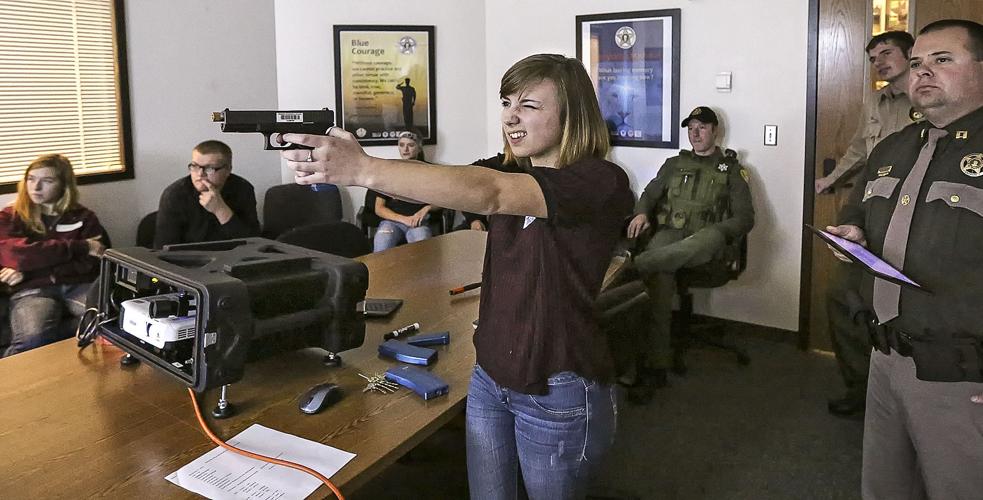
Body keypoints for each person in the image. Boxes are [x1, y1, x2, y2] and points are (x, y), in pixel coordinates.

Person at [283, 54, 634, 500]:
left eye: (528, 105)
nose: (510, 116)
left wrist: (361, 169)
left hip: (556, 385)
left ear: (573, 114)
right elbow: (438, 178)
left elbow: (490, 194)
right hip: (490, 374)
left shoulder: (600, 181)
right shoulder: (512, 168)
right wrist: (353, 161)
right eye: (506, 103)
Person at [829, 19, 983, 498]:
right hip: (885, 357)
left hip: (960, 373)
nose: (923, 72)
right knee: (885, 487)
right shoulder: (893, 147)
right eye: (916, 64)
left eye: (942, 60)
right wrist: (851, 233)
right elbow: (856, 211)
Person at [623, 106, 754, 403]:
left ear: (715, 131)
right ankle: (656, 366)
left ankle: (634, 265)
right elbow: (649, 194)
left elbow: (745, 218)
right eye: (691, 128)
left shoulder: (732, 170)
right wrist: (642, 212)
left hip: (706, 243)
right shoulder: (674, 164)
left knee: (689, 247)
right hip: (670, 235)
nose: (695, 133)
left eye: (702, 127)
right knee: (661, 273)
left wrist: (721, 232)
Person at [822, 31, 919, 418]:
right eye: (873, 58)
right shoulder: (874, 102)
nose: (879, 62)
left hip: (917, 215)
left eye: (887, 53)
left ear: (911, 55)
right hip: (873, 209)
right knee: (841, 295)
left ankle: (909, 396)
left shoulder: (928, 99)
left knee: (909, 304)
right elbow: (860, 150)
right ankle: (860, 388)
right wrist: (830, 180)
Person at [0, 154, 106, 357]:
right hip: (33, 289)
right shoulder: (10, 216)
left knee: (110, 322)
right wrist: (82, 246)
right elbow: (16, 254)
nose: (36, 187)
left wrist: (29, 269)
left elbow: (91, 263)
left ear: (64, 184)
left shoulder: (85, 217)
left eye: (47, 181)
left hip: (78, 284)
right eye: (31, 179)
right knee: (34, 338)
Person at [154, 140, 260, 249]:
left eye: (209, 168)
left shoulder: (243, 189)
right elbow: (164, 250)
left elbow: (254, 244)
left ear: (228, 170)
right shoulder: (174, 195)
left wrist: (220, 210)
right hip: (189, 259)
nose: (200, 174)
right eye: (195, 166)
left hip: (233, 257)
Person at [372, 130, 436, 251]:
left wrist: (427, 209)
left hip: (418, 223)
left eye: (410, 145)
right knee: (382, 243)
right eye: (401, 145)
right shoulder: (389, 171)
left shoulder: (430, 171)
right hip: (392, 222)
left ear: (419, 148)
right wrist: (403, 219)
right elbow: (379, 208)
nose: (405, 149)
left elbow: (443, 201)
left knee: (422, 249)